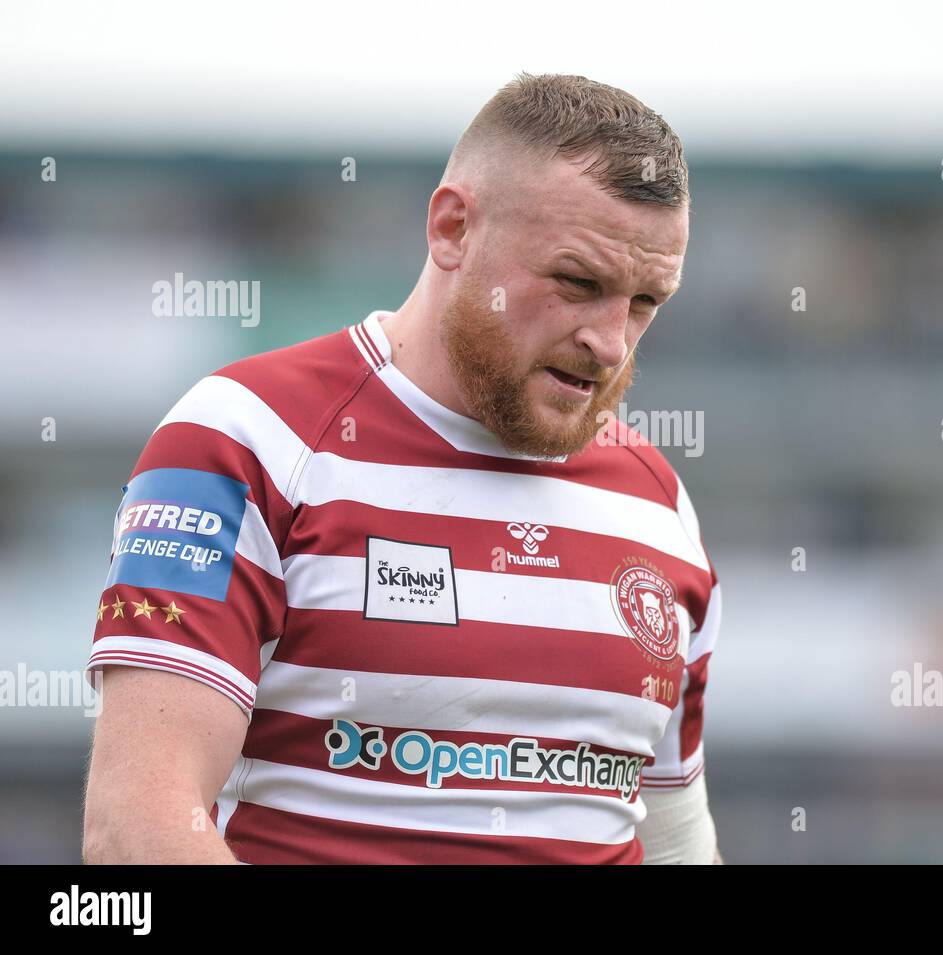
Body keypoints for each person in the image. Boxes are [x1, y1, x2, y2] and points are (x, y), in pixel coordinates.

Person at [81, 73, 723, 864]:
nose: (611, 340)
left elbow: (672, 841)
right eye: (578, 283)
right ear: (452, 227)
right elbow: (138, 825)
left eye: (644, 301)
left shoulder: (660, 506)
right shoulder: (244, 440)